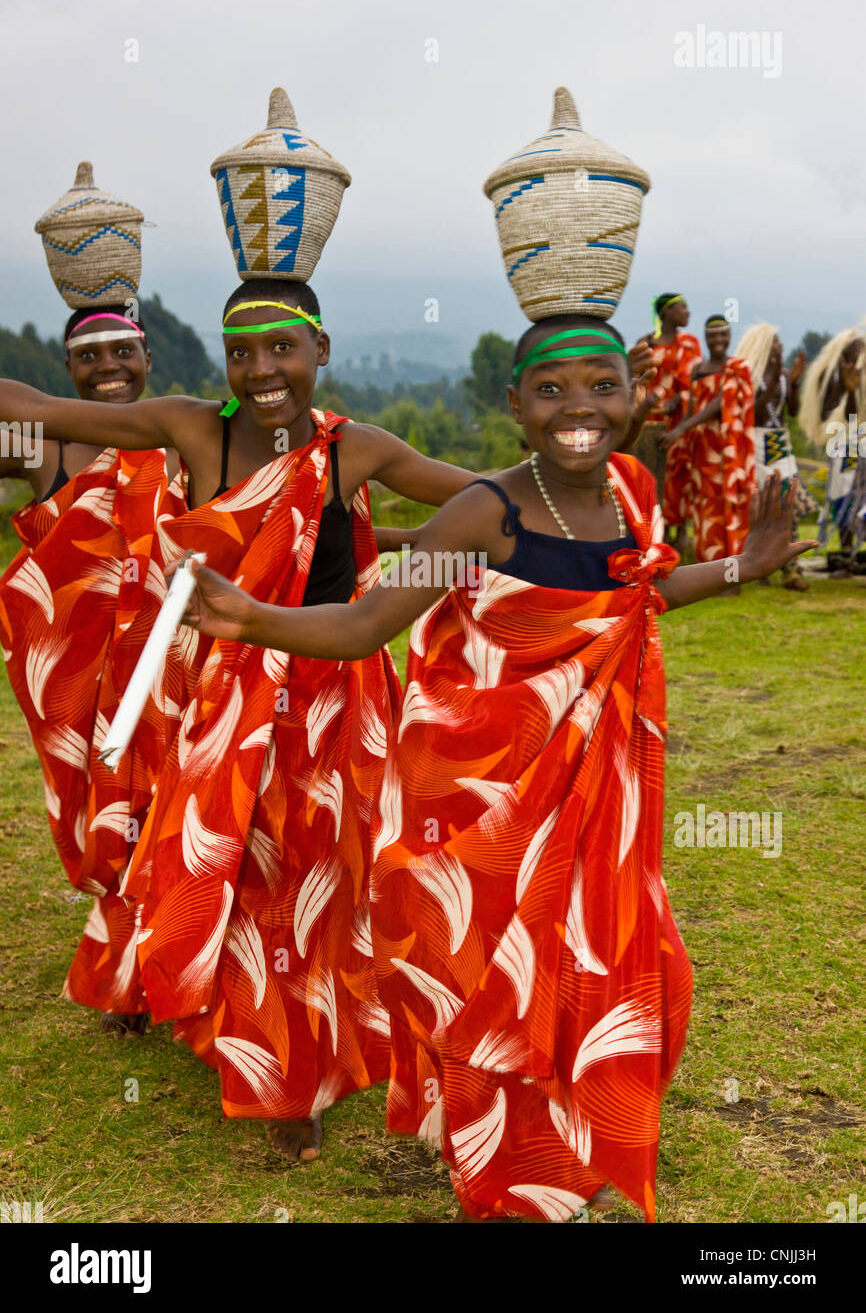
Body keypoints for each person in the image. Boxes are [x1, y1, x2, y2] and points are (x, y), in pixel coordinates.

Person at [172, 314, 811, 1222]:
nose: (578, 409)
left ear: (632, 398)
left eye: (601, 385)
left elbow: (640, 589)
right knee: (499, 990)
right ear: (514, 405)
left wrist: (740, 568)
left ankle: (566, 1147)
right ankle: (504, 1179)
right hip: (486, 802)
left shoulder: (633, 488)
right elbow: (365, 626)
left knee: (631, 970)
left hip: (604, 795)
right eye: (551, 391)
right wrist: (251, 619)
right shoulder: (485, 511)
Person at [0, 278, 478, 1160]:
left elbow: (489, 502)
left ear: (321, 352)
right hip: (221, 699)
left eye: (282, 349)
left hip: (336, 703)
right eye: (242, 352)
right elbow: (35, 408)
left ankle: (301, 1069)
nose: (263, 370)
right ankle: (262, 1054)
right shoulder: (192, 427)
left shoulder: (354, 451)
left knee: (319, 885)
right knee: (238, 869)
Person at [0, 305, 184, 1036]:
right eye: (90, 356)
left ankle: (154, 968)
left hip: (170, 668)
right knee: (106, 817)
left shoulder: (187, 439)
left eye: (124, 352)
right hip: (76, 677)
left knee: (169, 809)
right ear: (67, 370)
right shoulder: (41, 448)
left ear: (149, 359)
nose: (109, 367)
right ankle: (132, 966)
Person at [662, 315, 755, 565]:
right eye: (713, 336)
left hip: (731, 451)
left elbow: (721, 402)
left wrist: (682, 428)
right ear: (705, 337)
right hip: (702, 451)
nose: (719, 340)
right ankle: (710, 570)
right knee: (706, 509)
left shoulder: (738, 368)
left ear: (730, 336)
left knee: (730, 506)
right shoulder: (697, 370)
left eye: (723, 335)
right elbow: (693, 408)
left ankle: (734, 569)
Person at [735, 323, 814, 591]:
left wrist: (793, 382)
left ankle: (790, 569)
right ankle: (759, 564)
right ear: (765, 346)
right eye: (776, 342)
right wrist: (770, 380)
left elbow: (792, 410)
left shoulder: (781, 375)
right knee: (760, 505)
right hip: (756, 441)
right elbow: (751, 411)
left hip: (779, 441)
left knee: (786, 502)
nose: (780, 346)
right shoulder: (750, 375)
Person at [628, 293, 701, 544]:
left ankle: (679, 533)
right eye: (683, 307)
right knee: (650, 475)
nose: (688, 312)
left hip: (680, 421)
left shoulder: (690, 343)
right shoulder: (646, 344)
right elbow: (634, 378)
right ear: (666, 312)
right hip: (648, 421)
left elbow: (694, 381)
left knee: (679, 476)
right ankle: (655, 532)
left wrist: (679, 399)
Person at [798, 328, 866, 573]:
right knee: (843, 497)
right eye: (853, 353)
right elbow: (835, 417)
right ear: (842, 356)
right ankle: (847, 554)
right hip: (844, 448)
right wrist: (849, 390)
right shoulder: (832, 381)